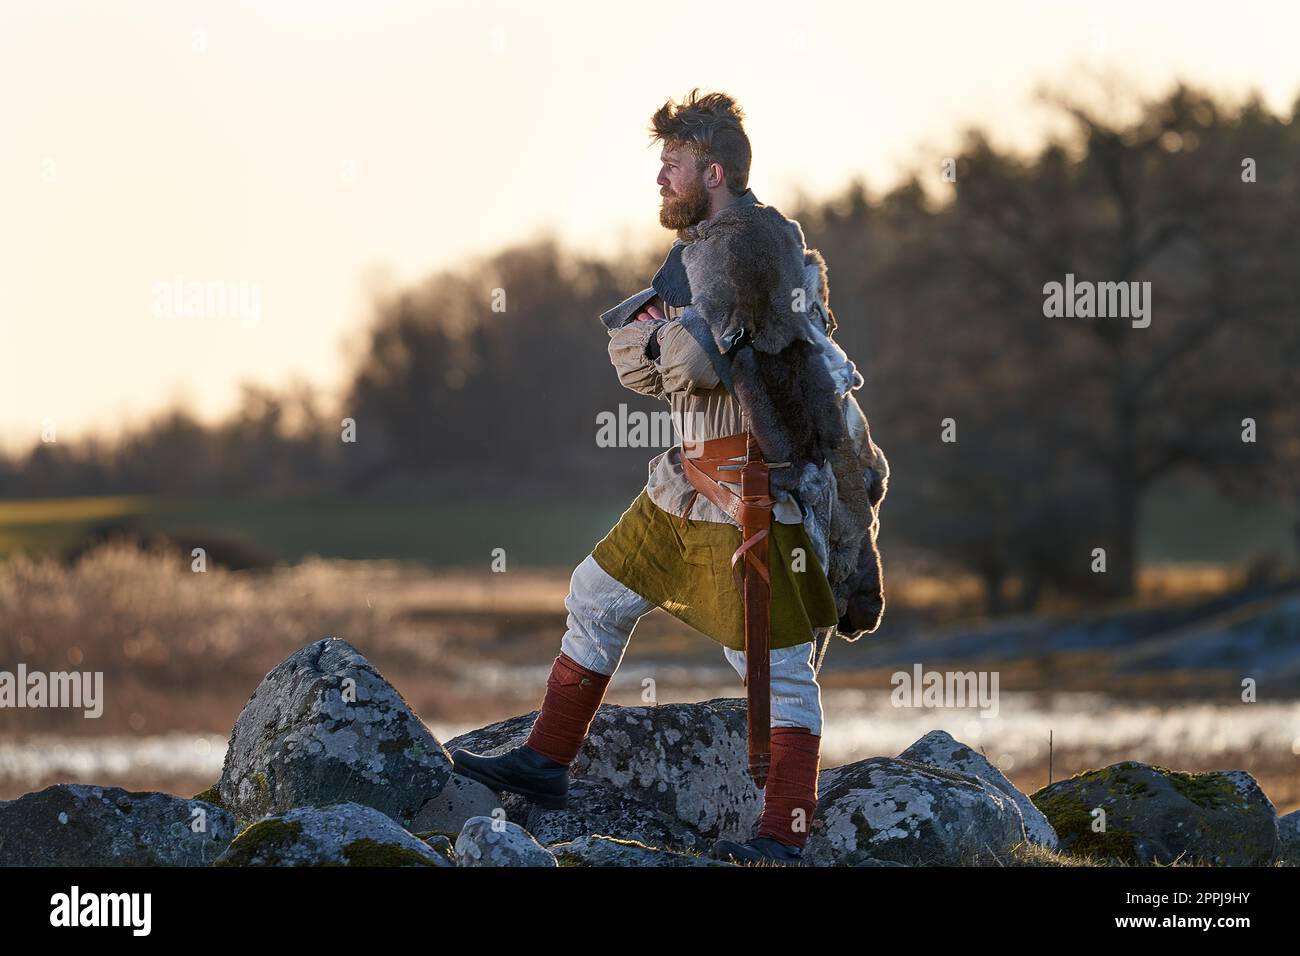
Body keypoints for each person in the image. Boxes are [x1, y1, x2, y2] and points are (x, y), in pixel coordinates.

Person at [452, 88, 878, 866]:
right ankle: (546, 762)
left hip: (759, 498)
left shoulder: (754, 248)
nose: (660, 181)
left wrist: (667, 340)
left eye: (672, 166)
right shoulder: (698, 247)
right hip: (684, 484)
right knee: (595, 593)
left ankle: (783, 835)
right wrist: (666, 341)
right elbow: (637, 355)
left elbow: (699, 357)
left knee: (776, 668)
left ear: (712, 171)